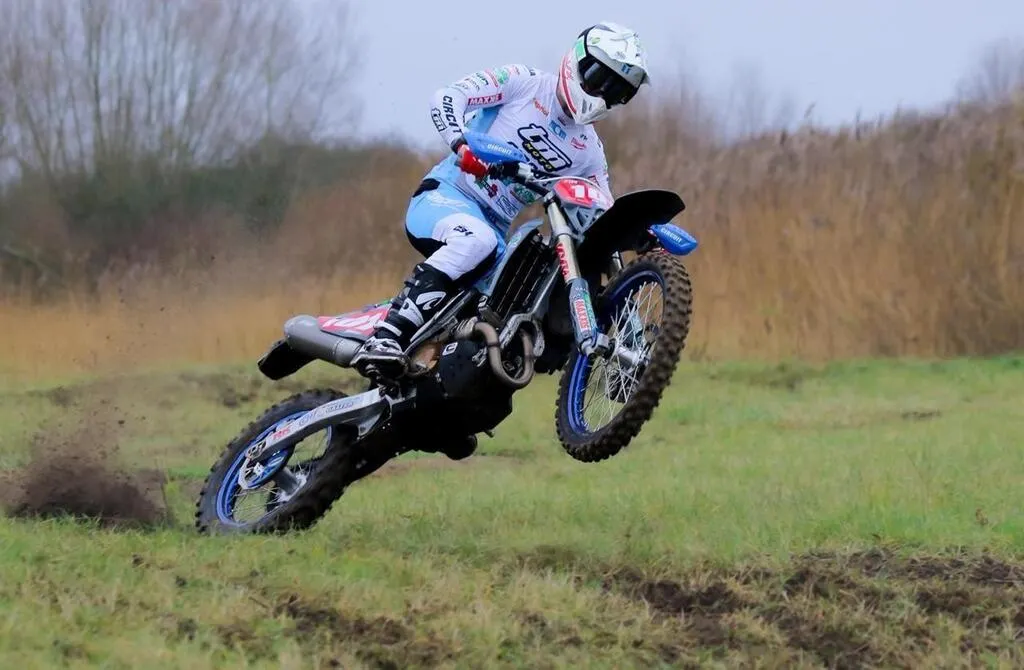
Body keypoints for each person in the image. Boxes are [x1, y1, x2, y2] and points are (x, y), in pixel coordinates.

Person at [351, 20, 651, 380]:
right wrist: (461, 144)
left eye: (616, 91)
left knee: (516, 299)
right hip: (445, 196)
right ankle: (387, 336)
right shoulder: (523, 82)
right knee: (475, 240)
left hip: (497, 239)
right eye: (599, 78)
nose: (602, 94)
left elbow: (603, 210)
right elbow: (448, 97)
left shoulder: (589, 151)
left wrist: (638, 234)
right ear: (576, 60)